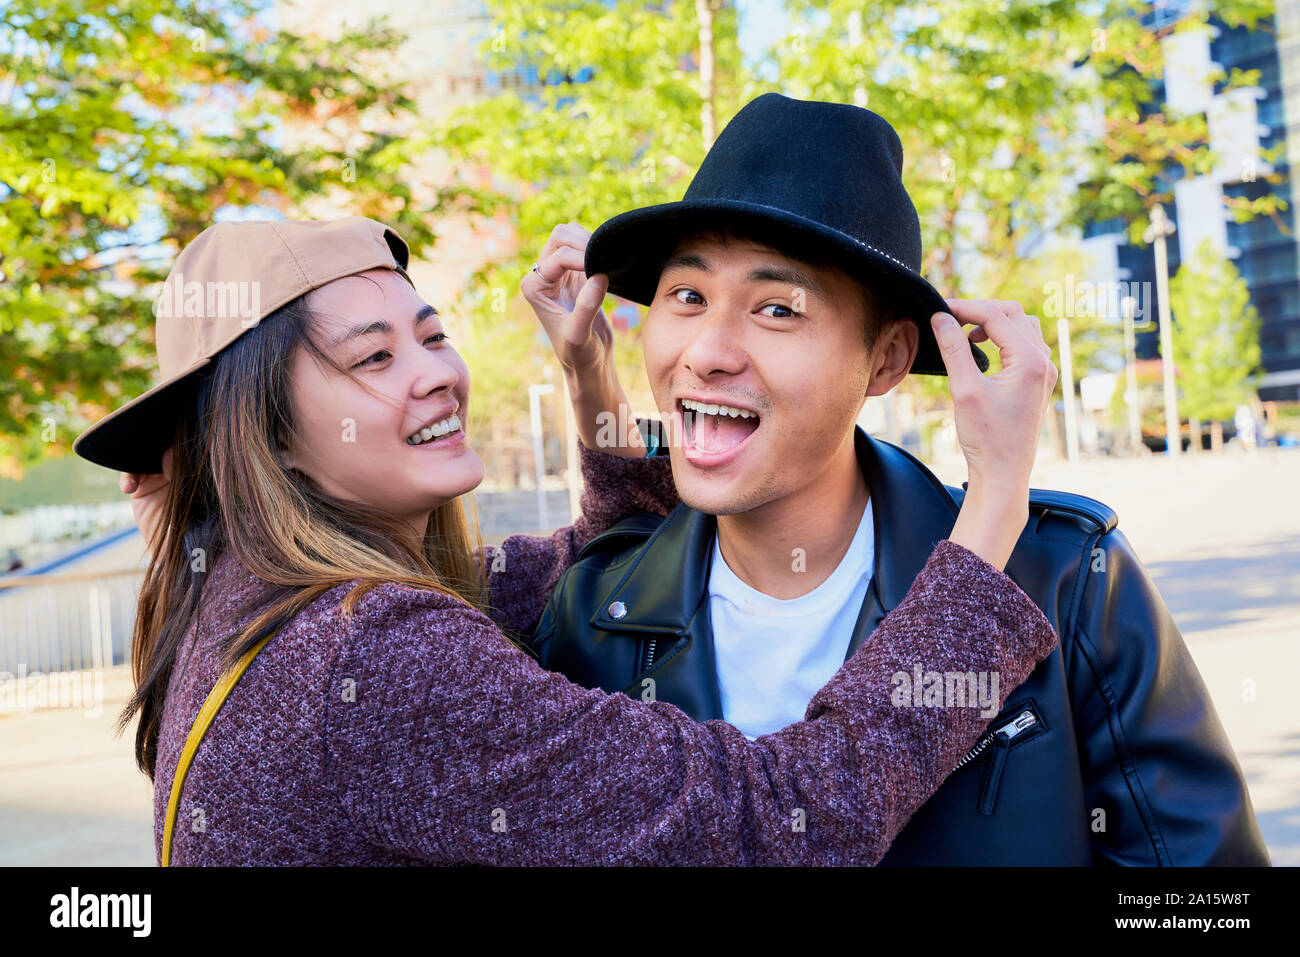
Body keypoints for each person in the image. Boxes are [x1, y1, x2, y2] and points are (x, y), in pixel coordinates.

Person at [74, 215, 1058, 866]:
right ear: (269, 438)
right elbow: (792, 818)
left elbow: (593, 562)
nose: (435, 375)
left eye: (430, 333)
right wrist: (996, 500)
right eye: (372, 358)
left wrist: (591, 381)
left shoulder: (245, 598)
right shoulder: (376, 658)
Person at [523, 93, 1271, 865]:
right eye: (687, 296)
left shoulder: (1063, 577)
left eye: (778, 309)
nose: (708, 350)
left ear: (884, 361)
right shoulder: (588, 611)